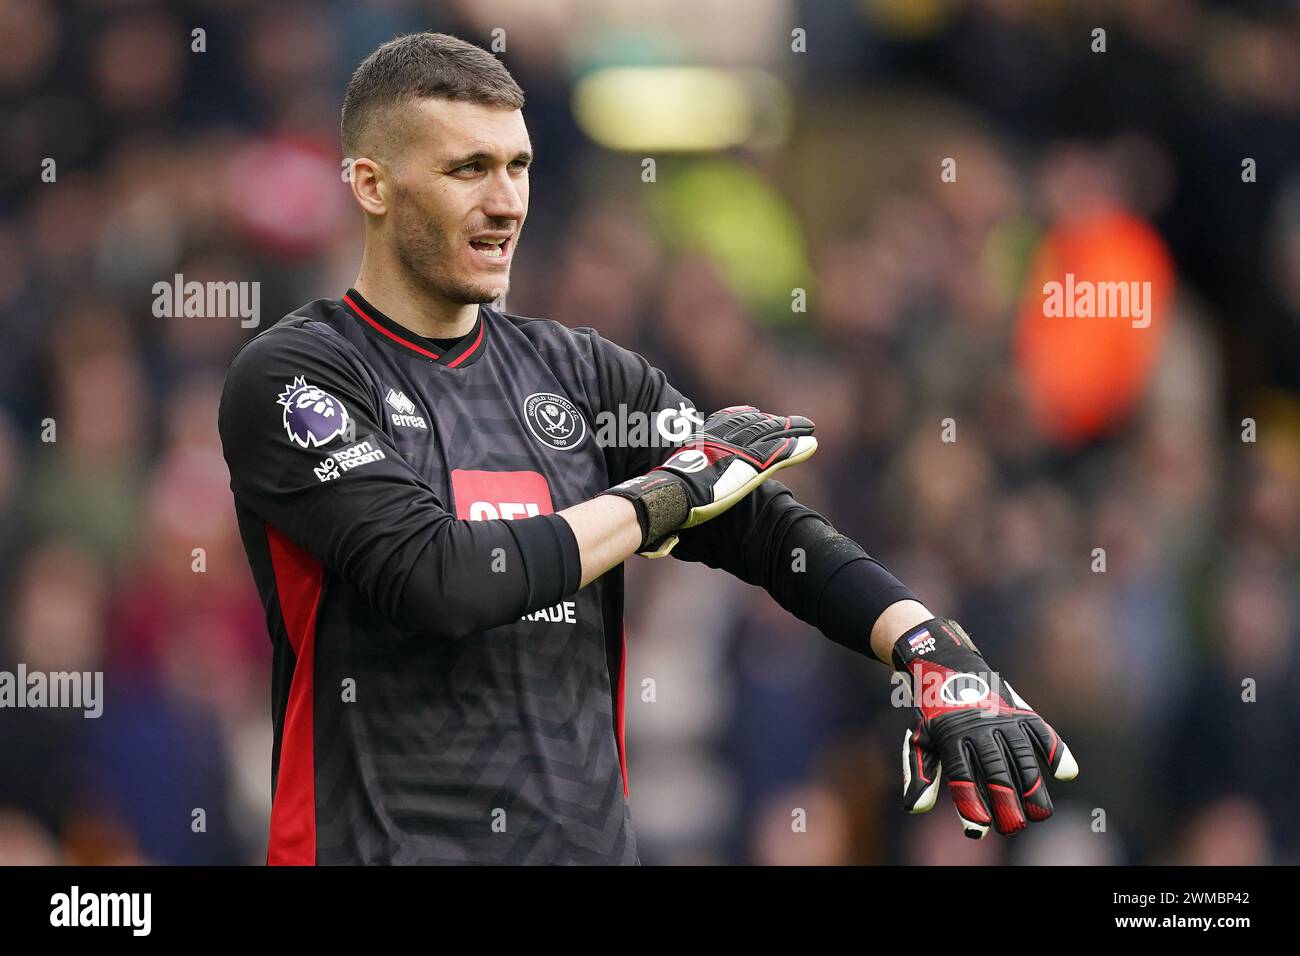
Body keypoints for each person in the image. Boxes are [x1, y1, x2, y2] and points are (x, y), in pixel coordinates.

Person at [217, 32, 1077, 865]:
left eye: (518, 167)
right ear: (371, 184)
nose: (506, 202)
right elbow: (439, 580)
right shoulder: (297, 377)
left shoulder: (585, 375)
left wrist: (930, 647)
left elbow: (763, 528)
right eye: (467, 169)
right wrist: (659, 499)